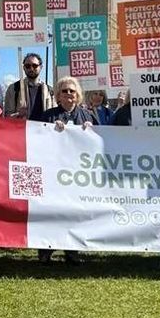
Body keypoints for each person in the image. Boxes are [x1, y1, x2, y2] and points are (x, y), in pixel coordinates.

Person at [36, 76, 95, 265]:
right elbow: (37, 138)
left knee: (75, 212)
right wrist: (50, 130)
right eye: (64, 91)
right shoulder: (48, 116)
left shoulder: (88, 116)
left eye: (72, 91)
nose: (68, 94)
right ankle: (46, 249)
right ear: (58, 96)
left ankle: (72, 250)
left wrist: (92, 131)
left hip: (78, 174)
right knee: (51, 211)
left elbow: (102, 141)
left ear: (78, 95)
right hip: (54, 172)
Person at [4, 53, 54, 120]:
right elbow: (6, 118)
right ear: (24, 68)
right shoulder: (14, 89)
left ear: (41, 67)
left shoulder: (49, 91)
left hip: (43, 129)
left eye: (35, 65)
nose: (31, 68)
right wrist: (18, 114)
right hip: (22, 129)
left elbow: (54, 116)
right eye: (28, 66)